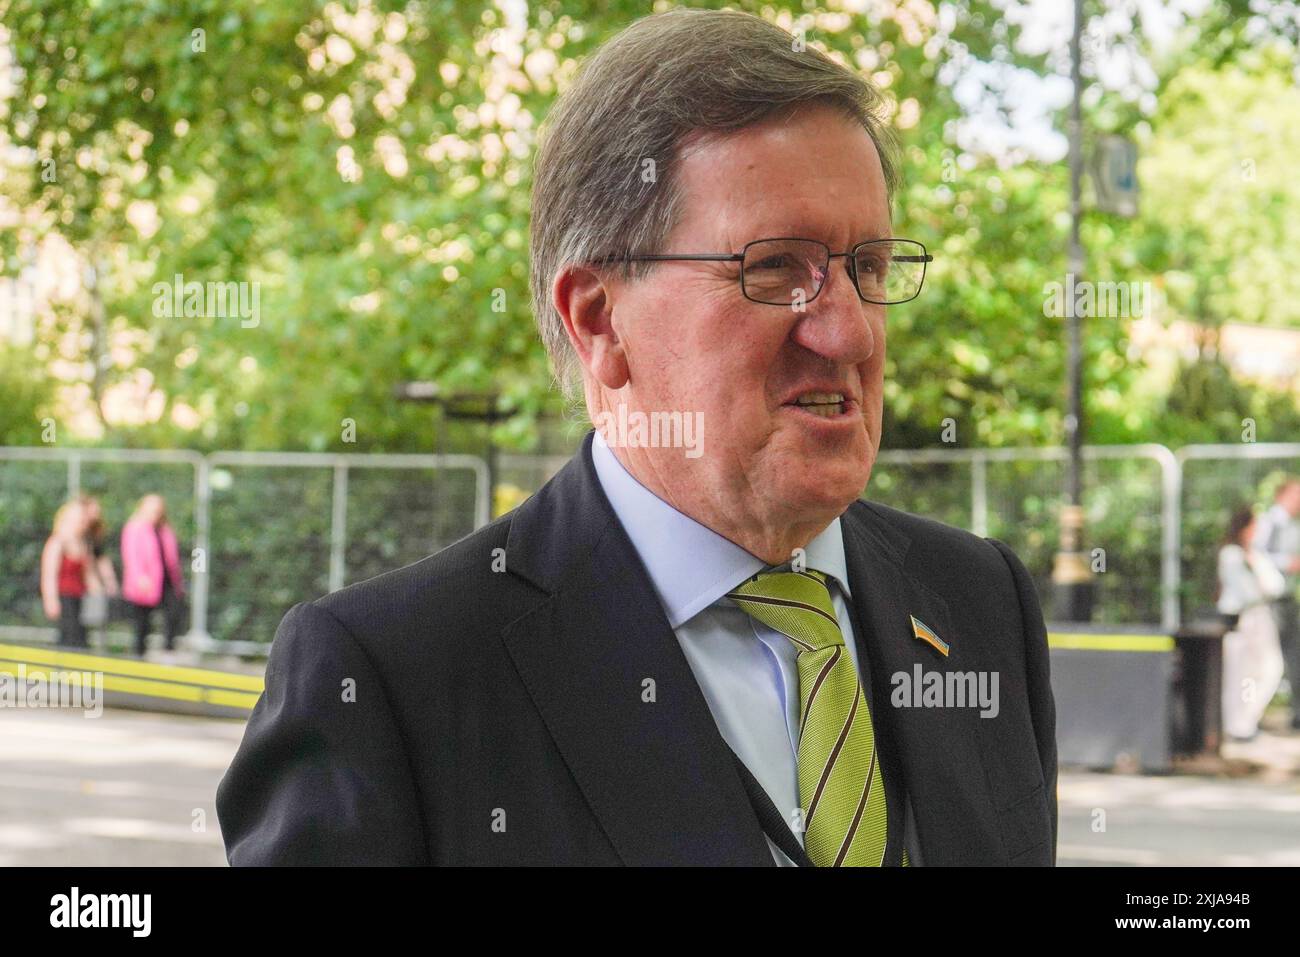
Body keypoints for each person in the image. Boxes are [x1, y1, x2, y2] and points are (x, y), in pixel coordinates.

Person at [218, 8, 1056, 866]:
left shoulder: (979, 604)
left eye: (869, 268)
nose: (850, 335)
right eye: (775, 267)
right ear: (599, 321)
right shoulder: (392, 681)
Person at [1217, 505, 1286, 741]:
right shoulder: (1231, 554)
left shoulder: (1255, 555)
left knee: (1268, 670)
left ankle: (1246, 720)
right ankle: (1237, 726)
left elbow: (1276, 586)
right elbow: (1246, 592)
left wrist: (1256, 563)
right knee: (1240, 675)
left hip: (1260, 618)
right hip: (1241, 620)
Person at [1254, 477, 1300, 729]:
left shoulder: (1292, 524)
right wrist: (1287, 563)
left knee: (1293, 655)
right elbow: (1256, 553)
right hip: (1269, 601)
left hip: (1287, 600)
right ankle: (1250, 718)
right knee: (1268, 660)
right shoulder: (1269, 522)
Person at [120, 494, 186, 658]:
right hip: (145, 582)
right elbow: (131, 556)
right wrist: (140, 577)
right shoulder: (134, 528)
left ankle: (168, 649)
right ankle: (138, 654)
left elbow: (172, 558)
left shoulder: (165, 530)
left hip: (166, 581)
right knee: (142, 621)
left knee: (174, 613)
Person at [40, 500, 96, 647]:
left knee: (81, 639)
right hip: (64, 598)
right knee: (68, 638)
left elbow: (89, 575)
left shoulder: (83, 543)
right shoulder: (57, 542)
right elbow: (49, 575)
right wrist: (51, 600)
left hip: (81, 599)